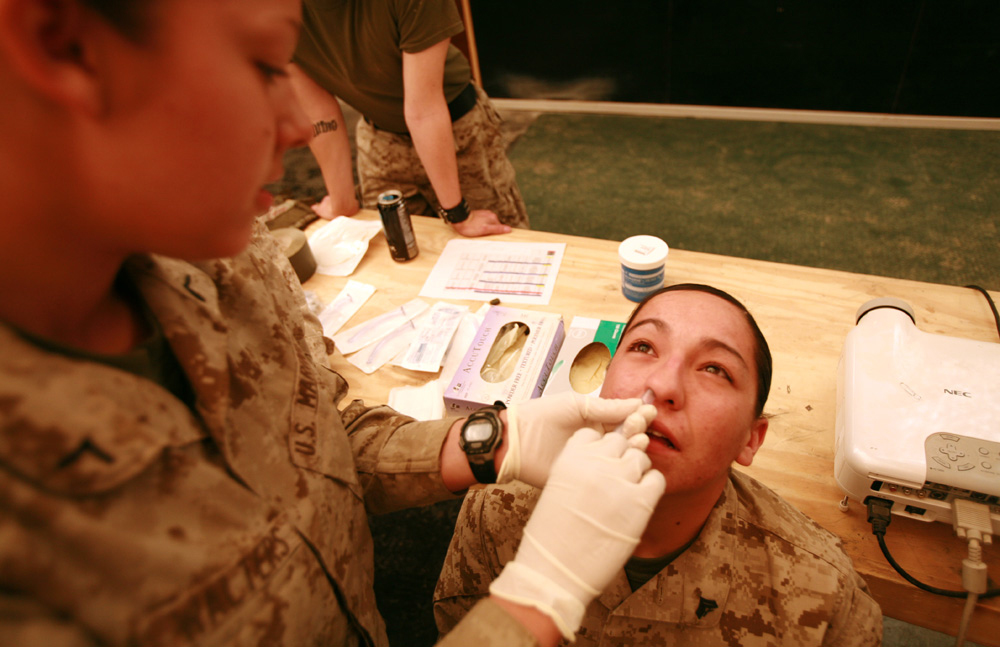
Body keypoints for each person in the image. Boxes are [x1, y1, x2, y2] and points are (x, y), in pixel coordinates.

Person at [0, 0, 665, 645]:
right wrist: (539, 600)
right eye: (264, 65)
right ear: (62, 44)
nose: (301, 127)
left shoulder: (229, 259)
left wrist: (492, 439)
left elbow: (310, 432)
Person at [434, 284, 885, 646]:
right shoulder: (496, 511)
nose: (663, 384)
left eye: (714, 369)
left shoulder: (823, 593)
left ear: (751, 439)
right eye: (645, 346)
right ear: (604, 381)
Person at [287, 0, 528, 238]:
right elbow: (320, 115)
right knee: (395, 250)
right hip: (380, 138)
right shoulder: (270, 13)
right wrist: (342, 202)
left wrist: (457, 213)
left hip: (457, 133)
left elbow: (424, 110)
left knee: (497, 244)